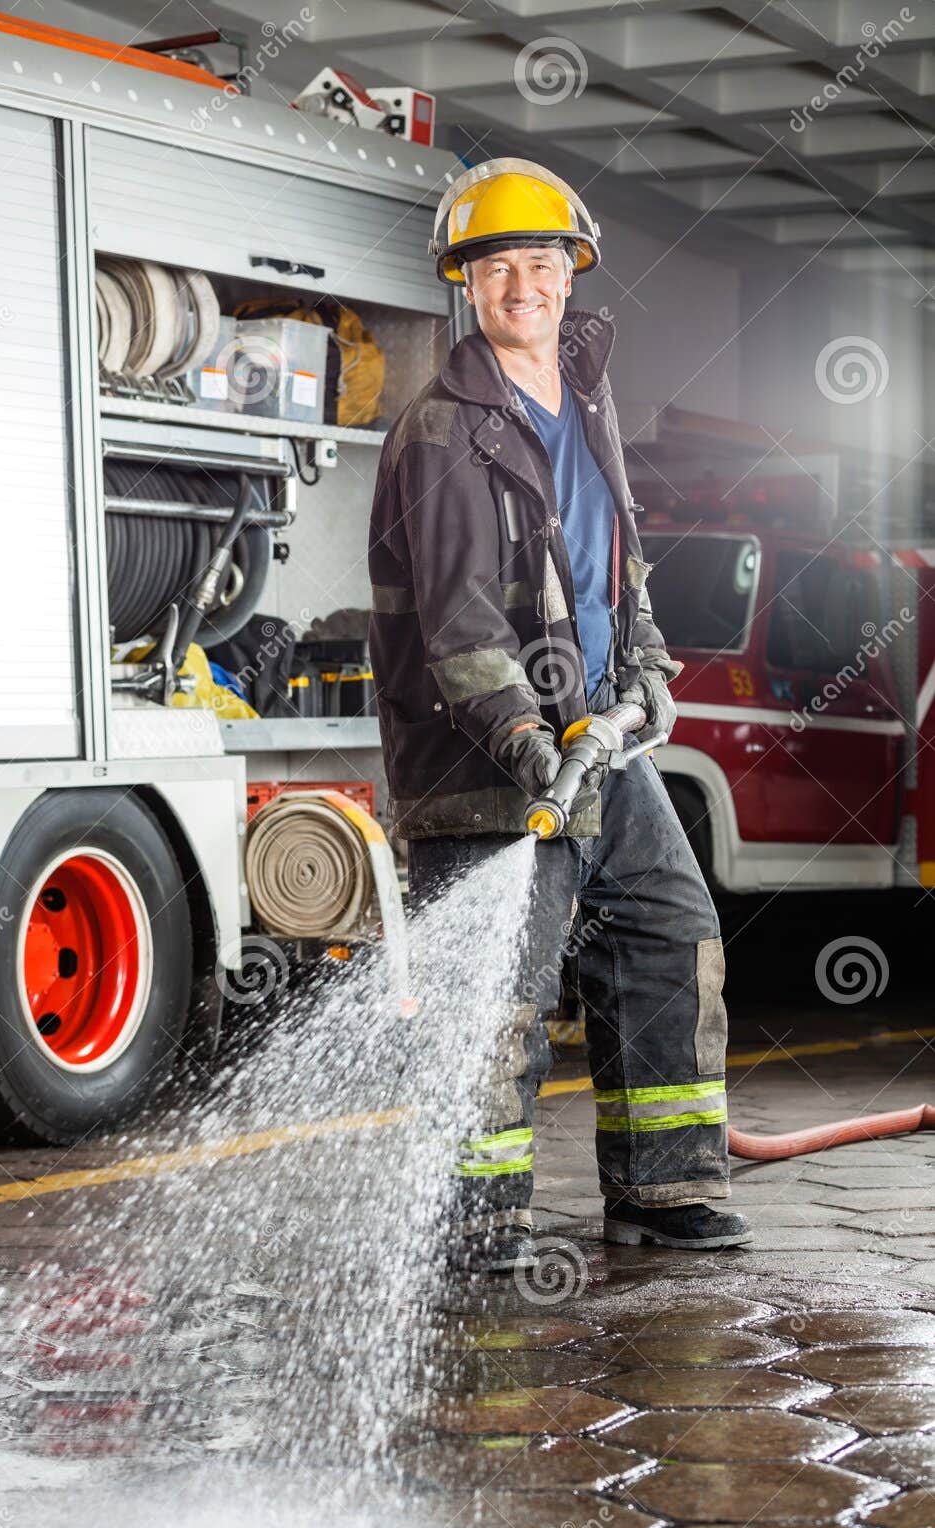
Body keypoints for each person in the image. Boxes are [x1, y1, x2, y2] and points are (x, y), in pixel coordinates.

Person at [367, 159, 751, 1270]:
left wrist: (645, 661)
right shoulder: (443, 429)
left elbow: (611, 554)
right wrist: (531, 744)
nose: (518, 285)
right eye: (494, 267)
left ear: (570, 273)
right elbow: (457, 622)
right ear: (467, 286)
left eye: (538, 263)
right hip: (488, 758)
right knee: (498, 992)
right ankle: (474, 1217)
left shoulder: (584, 394)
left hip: (596, 740)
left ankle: (664, 1189)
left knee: (666, 930)